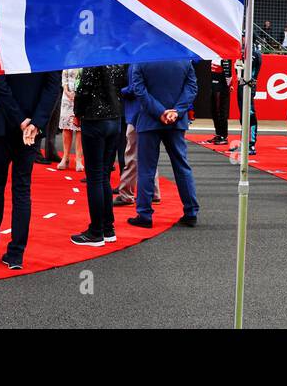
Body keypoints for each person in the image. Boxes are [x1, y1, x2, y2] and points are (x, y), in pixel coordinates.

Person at [0, 69, 62, 269]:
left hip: (2, 122)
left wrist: (20, 119)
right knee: (22, 190)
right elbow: (52, 88)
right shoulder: (48, 46)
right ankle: (16, 254)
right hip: (31, 128)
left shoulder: (4, 40)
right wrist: (36, 123)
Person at [126, 60, 200, 229]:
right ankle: (191, 212)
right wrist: (177, 111)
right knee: (182, 166)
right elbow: (191, 88)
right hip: (176, 122)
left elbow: (139, 89)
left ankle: (144, 214)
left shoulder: (142, 58)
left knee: (146, 169)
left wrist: (160, 112)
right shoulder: (183, 59)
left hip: (149, 121)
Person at [70, 64, 128, 247]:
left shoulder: (94, 58)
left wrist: (77, 112)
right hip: (115, 117)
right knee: (103, 176)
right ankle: (107, 228)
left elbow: (84, 89)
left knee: (95, 177)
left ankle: (96, 232)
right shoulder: (119, 59)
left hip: (95, 119)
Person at [57, 68, 84, 171]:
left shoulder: (86, 59)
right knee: (66, 127)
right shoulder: (69, 56)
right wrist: (66, 91)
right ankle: (65, 157)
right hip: (67, 97)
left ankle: (78, 160)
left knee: (79, 129)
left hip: (82, 97)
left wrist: (79, 94)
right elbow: (64, 77)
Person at [204, 57, 233, 145]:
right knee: (214, 111)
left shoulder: (225, 57)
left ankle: (224, 136)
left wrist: (228, 86)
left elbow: (228, 74)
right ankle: (218, 134)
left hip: (221, 88)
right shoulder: (213, 57)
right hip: (214, 87)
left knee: (221, 111)